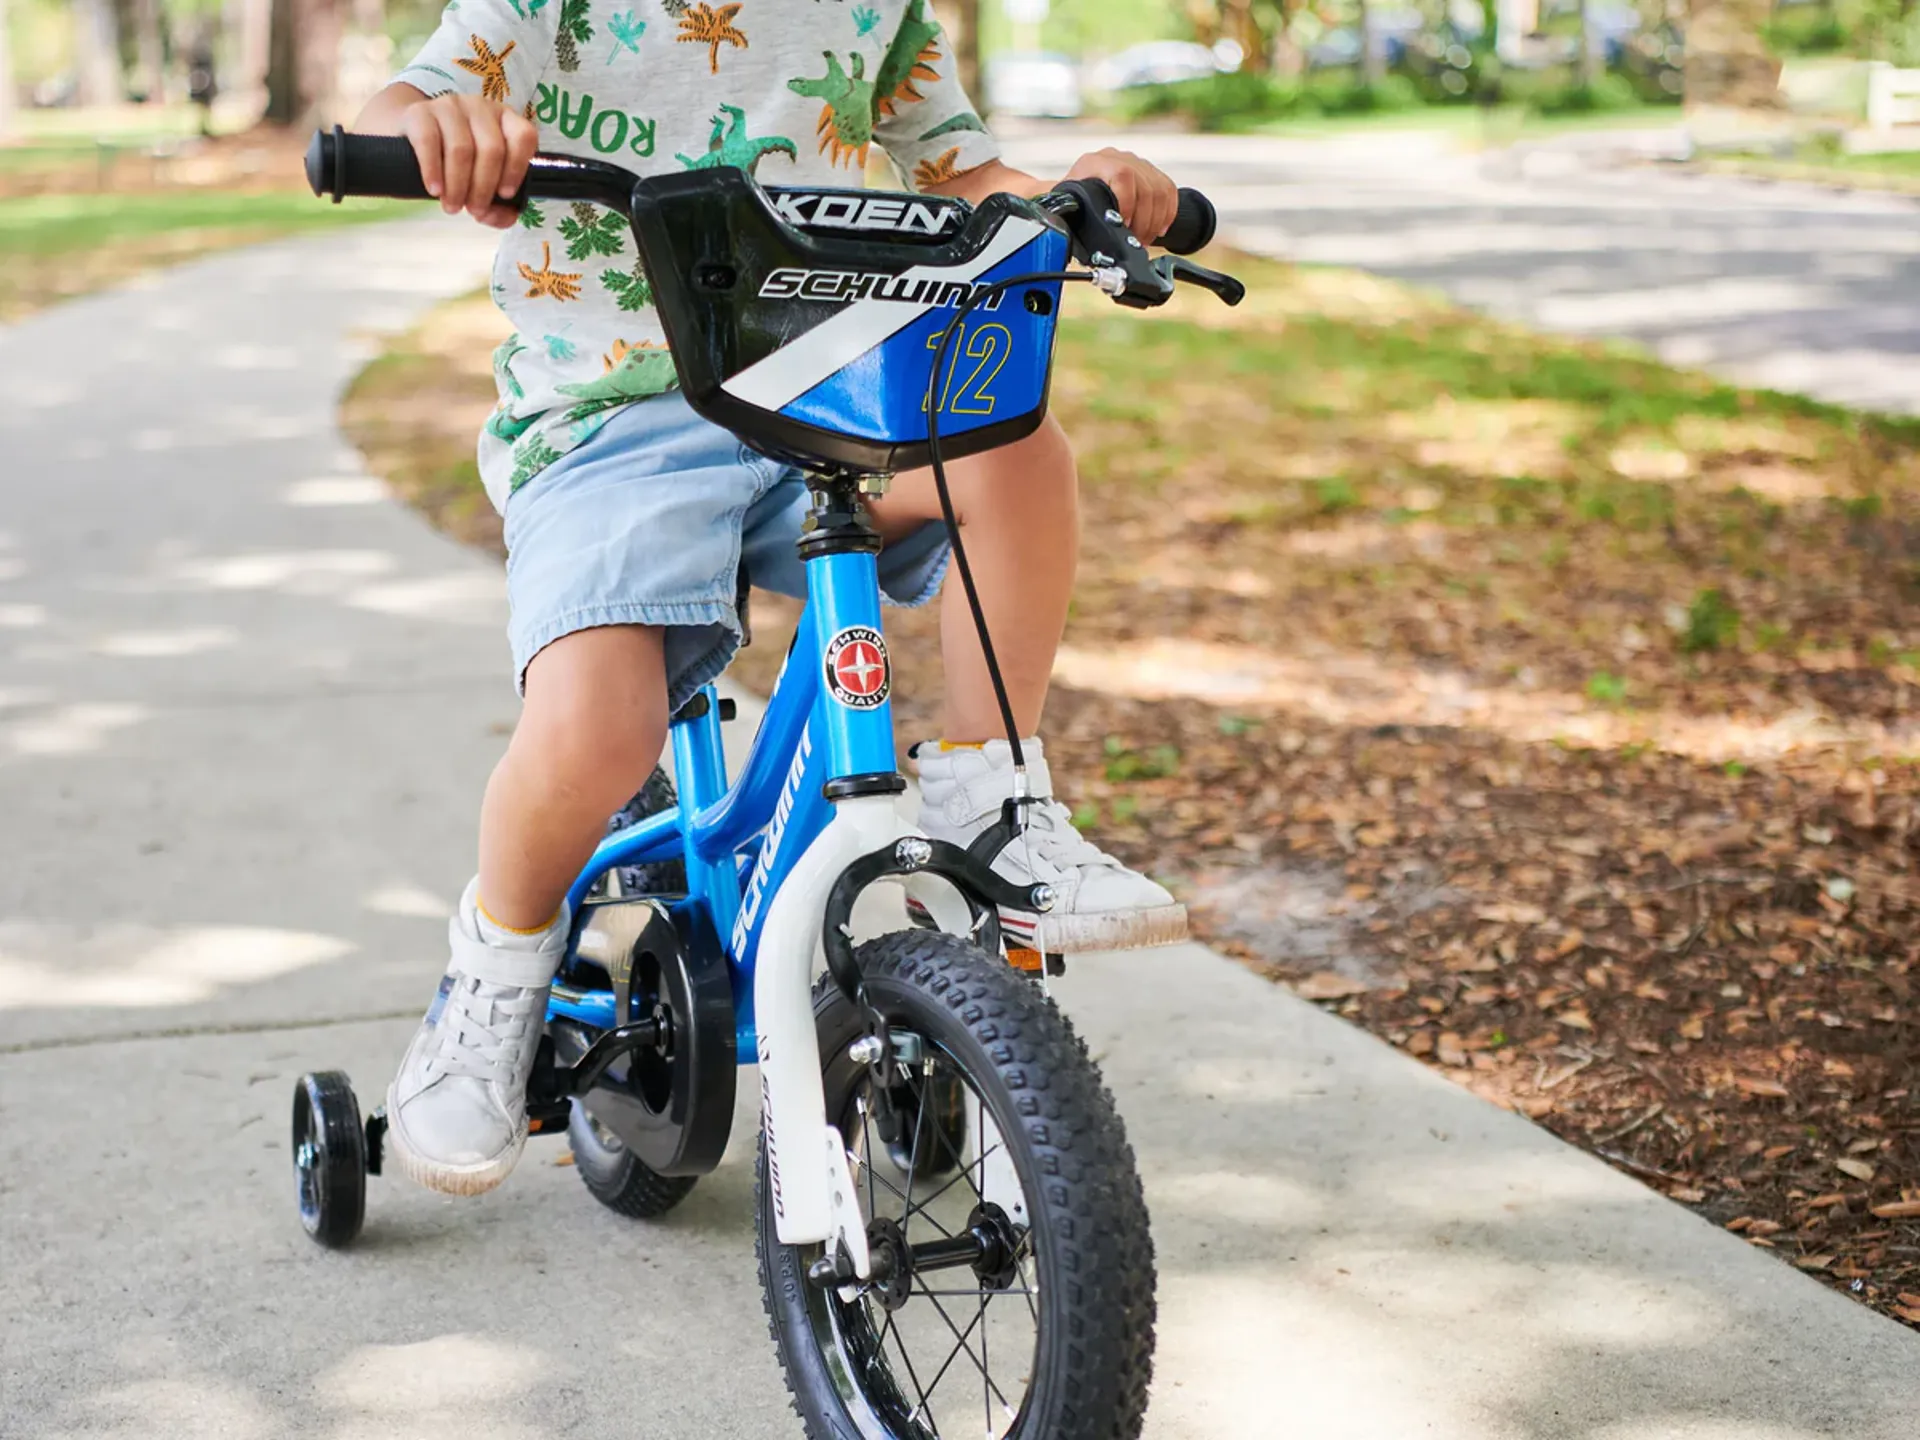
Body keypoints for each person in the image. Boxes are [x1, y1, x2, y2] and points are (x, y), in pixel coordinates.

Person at [356, 0, 1191, 1197]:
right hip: (617, 417)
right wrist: (441, 129)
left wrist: (1078, 188)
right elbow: (403, 101)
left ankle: (990, 785)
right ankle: (496, 965)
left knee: (1016, 447)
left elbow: (957, 167)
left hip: (830, 385)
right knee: (599, 728)